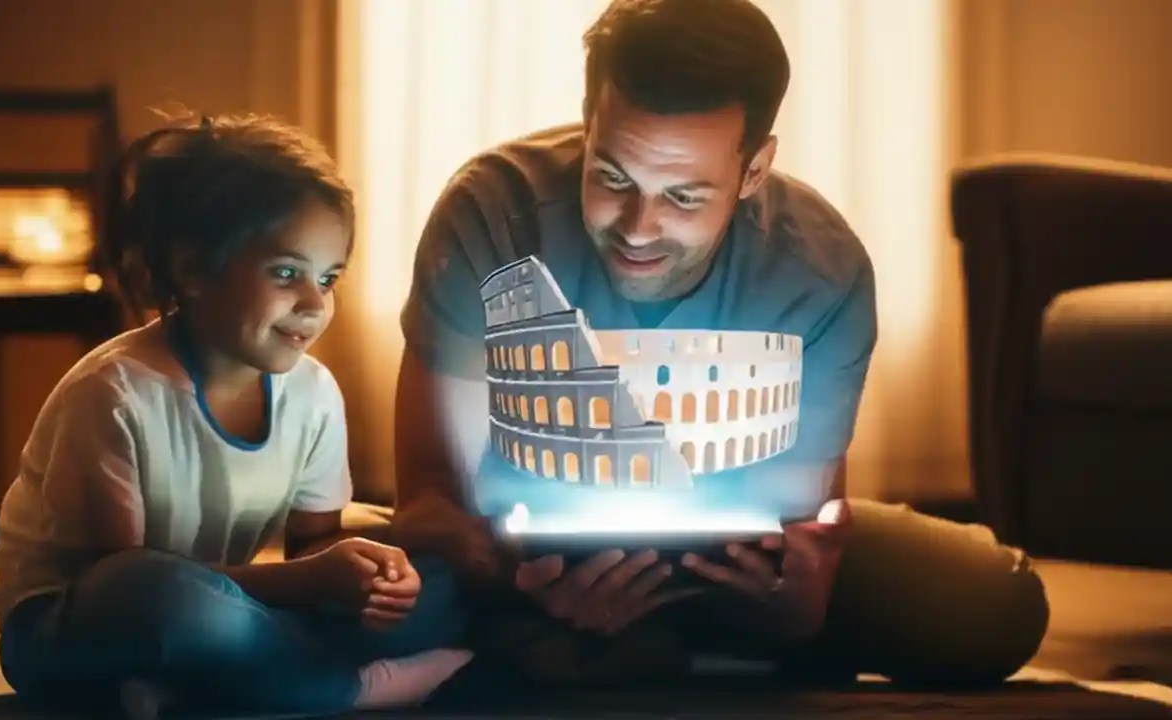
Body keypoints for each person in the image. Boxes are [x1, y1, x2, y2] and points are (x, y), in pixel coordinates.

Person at [389, 0, 1049, 691]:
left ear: (754, 170)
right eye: (612, 178)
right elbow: (432, 497)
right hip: (516, 561)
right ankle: (615, 647)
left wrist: (795, 606)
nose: (639, 228)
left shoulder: (818, 269)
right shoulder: (491, 212)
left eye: (684, 196)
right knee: (393, 593)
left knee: (994, 606)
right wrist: (511, 576)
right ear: (589, 123)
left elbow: (803, 520)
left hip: (719, 578)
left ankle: (634, 648)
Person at [0, 113, 471, 719]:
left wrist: (373, 574)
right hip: (79, 626)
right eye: (287, 273)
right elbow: (123, 577)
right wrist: (310, 583)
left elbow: (310, 551)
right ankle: (350, 689)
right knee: (167, 603)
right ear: (192, 271)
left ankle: (207, 690)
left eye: (329, 277)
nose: (316, 303)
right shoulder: (114, 393)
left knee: (442, 582)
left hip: (229, 608)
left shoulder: (314, 393)